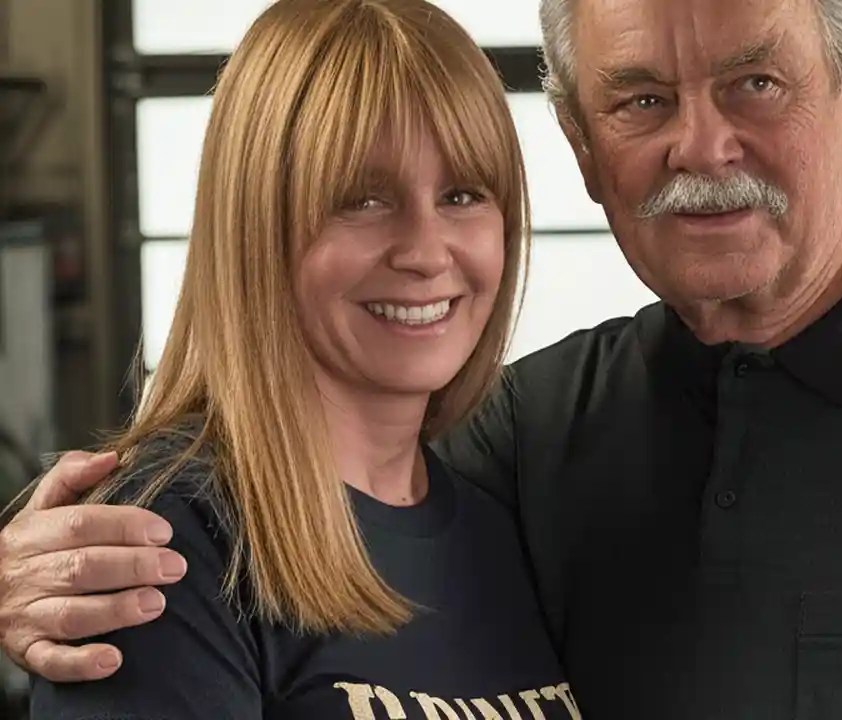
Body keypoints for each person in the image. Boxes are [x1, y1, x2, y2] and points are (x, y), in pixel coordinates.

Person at [0, 0, 842, 717]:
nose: (699, 145)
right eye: (640, 101)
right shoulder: (526, 433)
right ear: (576, 143)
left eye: (755, 84)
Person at [7, 0, 584, 718]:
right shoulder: (163, 538)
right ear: (255, 222)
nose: (427, 252)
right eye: (363, 200)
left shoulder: (499, 530)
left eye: (463, 195)